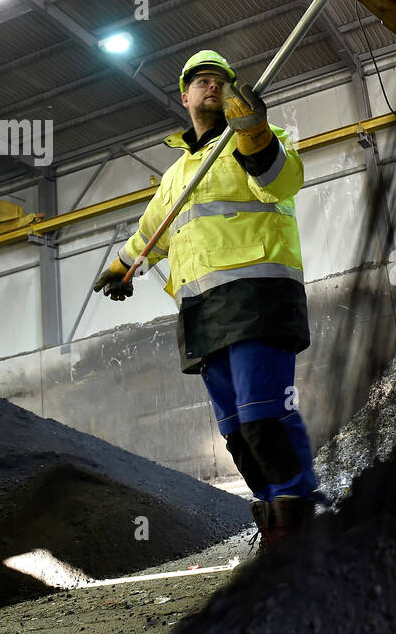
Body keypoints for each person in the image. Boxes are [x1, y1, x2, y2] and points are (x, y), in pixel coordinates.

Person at [92, 49, 320, 550]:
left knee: (263, 415)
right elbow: (155, 230)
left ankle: (299, 518)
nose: (211, 86)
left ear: (234, 93)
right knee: (237, 430)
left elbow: (283, 180)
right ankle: (275, 521)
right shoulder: (177, 174)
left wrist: (255, 134)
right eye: (201, 80)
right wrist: (125, 264)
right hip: (202, 314)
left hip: (259, 299)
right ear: (185, 95)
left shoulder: (256, 139)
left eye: (221, 80)